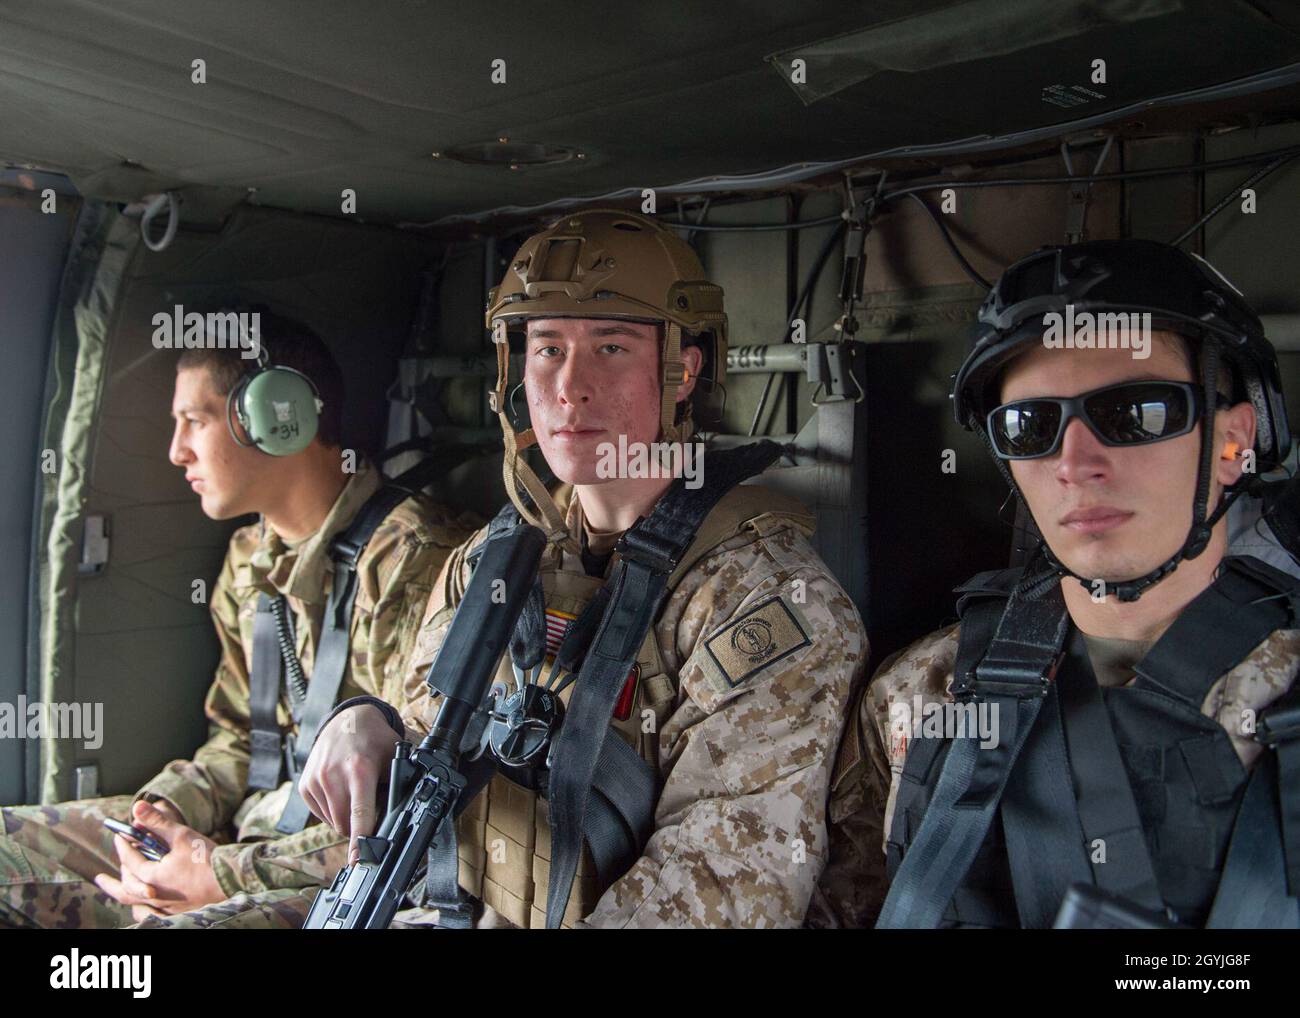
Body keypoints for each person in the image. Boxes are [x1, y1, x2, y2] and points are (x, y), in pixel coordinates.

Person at [299, 209, 868, 928]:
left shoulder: (763, 600)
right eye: (546, 349)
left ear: (682, 372)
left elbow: (719, 894)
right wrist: (365, 724)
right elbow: (420, 737)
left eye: (609, 347)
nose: (569, 386)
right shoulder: (496, 559)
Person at [815, 239, 1300, 929]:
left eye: (1135, 413)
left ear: (1232, 443)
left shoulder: (1283, 691)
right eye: (1030, 425)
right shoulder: (921, 692)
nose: (1074, 463)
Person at [0, 313, 474, 928]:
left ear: (282, 416)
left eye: (194, 421)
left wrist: (217, 875)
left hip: (355, 869)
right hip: (244, 835)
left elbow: (416, 812)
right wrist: (159, 819)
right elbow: (240, 742)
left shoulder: (416, 561)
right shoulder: (249, 558)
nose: (176, 452)